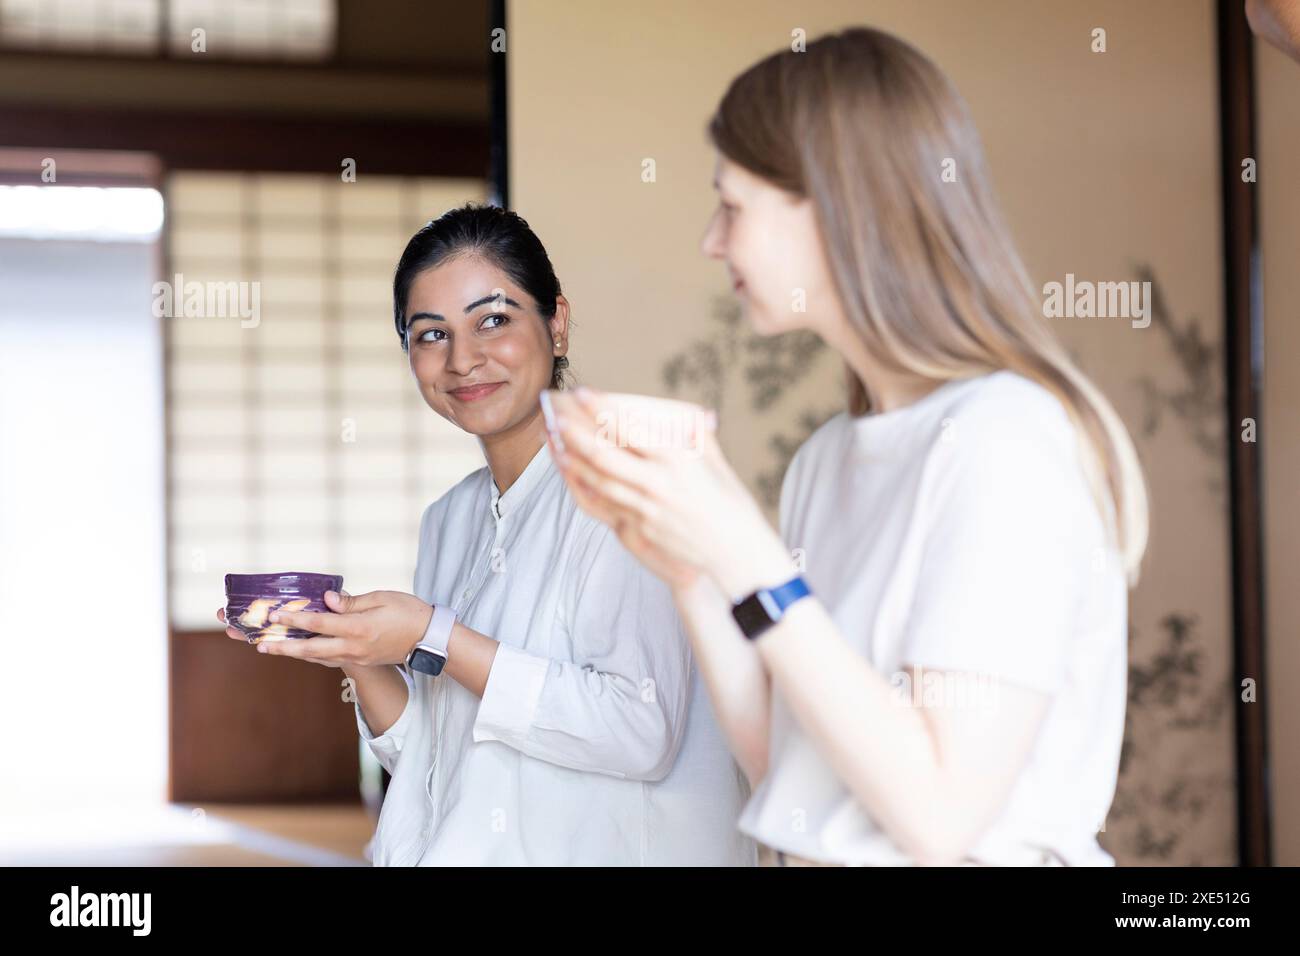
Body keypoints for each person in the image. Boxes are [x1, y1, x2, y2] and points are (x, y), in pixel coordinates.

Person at [545, 27, 1148, 866]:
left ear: (833, 203)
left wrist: (742, 547)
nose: (710, 242)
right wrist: (687, 569)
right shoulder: (827, 458)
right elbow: (791, 773)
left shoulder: (1002, 443)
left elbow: (940, 820)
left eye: (732, 204)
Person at [219, 204, 754, 866]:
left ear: (555, 324)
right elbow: (435, 755)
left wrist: (432, 635)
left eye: (493, 321)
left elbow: (639, 732)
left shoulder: (628, 489)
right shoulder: (449, 519)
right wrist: (353, 650)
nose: (463, 360)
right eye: (431, 335)